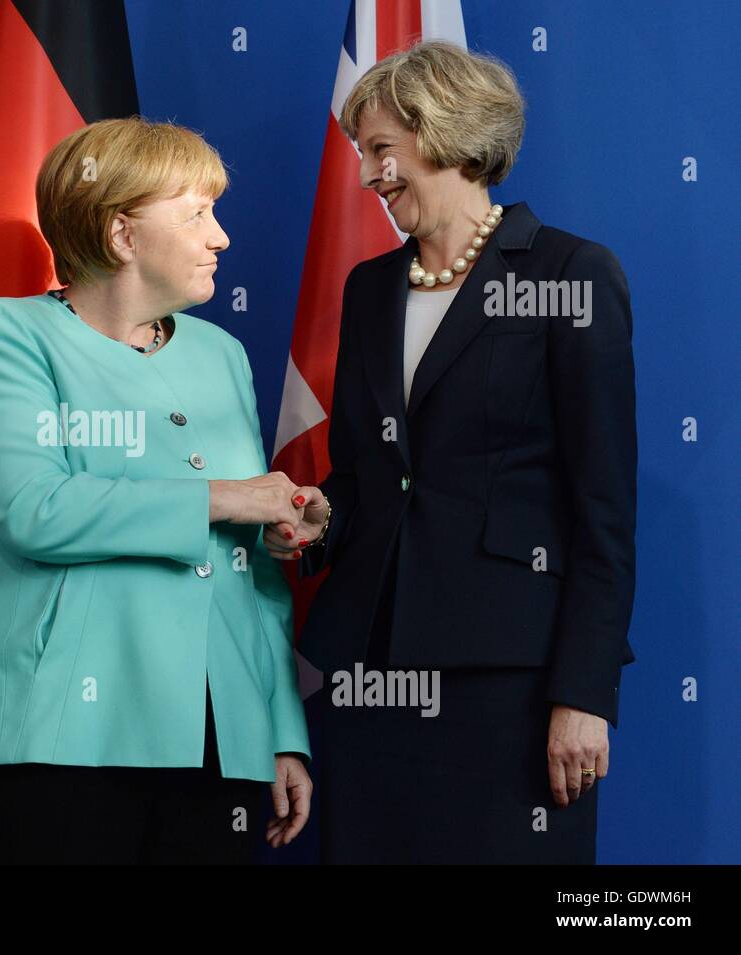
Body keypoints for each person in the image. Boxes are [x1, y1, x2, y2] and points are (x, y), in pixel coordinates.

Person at [266, 41, 637, 863]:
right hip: (371, 667)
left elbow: (603, 508)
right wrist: (308, 518)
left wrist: (585, 693)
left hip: (510, 680)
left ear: (447, 134)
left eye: (381, 149)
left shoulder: (570, 272)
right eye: (364, 154)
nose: (369, 175)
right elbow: (365, 479)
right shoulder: (369, 289)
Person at [0, 117, 313, 864]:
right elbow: (32, 509)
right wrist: (228, 497)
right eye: (197, 212)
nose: (221, 236)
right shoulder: (6, 334)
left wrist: (278, 728)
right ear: (122, 236)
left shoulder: (223, 354)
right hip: (48, 742)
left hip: (213, 737)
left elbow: (252, 570)